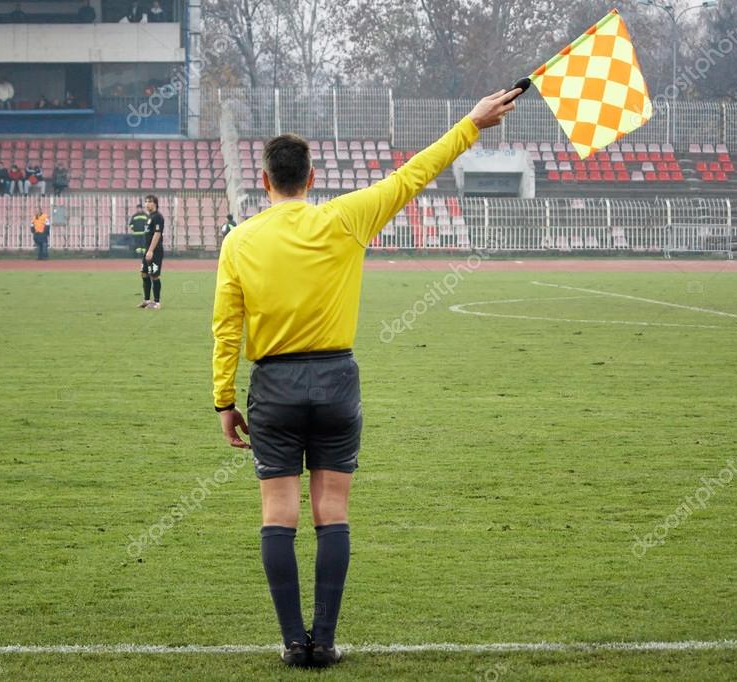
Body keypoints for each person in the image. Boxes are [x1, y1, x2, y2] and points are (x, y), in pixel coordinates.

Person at [210, 88, 518, 668]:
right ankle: (324, 641)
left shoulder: (239, 241)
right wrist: (472, 124)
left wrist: (224, 401)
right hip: (335, 382)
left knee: (278, 514)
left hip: (273, 386)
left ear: (265, 180)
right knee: (333, 511)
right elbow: (413, 175)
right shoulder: (346, 218)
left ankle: (292, 643)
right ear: (311, 177)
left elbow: (226, 329)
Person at [137, 195, 164, 309]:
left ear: (155, 204)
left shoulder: (158, 217)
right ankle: (147, 300)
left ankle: (157, 302)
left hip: (155, 251)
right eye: (146, 201)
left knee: (154, 275)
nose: (147, 204)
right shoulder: (149, 217)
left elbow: (157, 234)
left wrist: (151, 251)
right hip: (147, 250)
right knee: (144, 272)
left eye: (150, 201)